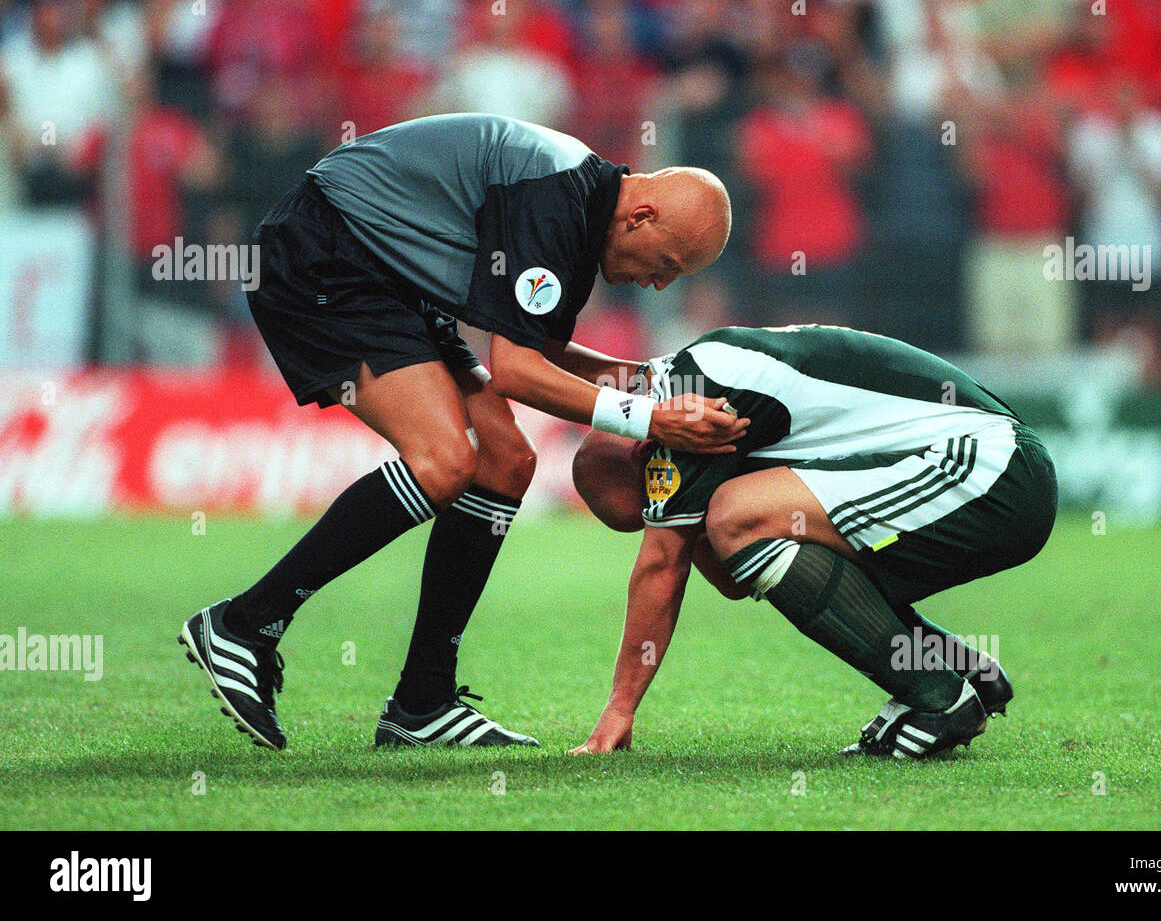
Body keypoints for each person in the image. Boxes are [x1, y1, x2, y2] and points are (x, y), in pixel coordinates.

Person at [179, 113, 745, 751]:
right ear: (640, 217)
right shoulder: (556, 201)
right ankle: (244, 624)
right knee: (444, 460)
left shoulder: (580, 208)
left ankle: (422, 701)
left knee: (506, 461)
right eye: (668, 263)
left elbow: (539, 350)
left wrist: (646, 378)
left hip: (391, 281)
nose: (661, 283)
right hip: (328, 256)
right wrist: (647, 416)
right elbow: (517, 372)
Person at [568, 324, 1056, 759]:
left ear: (642, 450)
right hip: (997, 471)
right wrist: (686, 519)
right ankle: (957, 670)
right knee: (760, 530)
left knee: (736, 516)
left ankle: (936, 698)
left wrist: (619, 710)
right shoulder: (687, 384)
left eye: (655, 500)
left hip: (991, 469)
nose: (661, 514)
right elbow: (734, 580)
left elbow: (663, 566)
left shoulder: (696, 392)